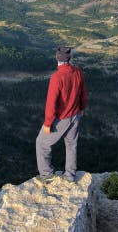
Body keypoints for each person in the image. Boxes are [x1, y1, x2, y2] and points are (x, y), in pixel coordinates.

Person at [36, 47, 87, 183]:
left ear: (56, 58)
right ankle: (70, 175)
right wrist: (82, 108)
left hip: (61, 118)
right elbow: (83, 92)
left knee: (41, 144)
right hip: (75, 115)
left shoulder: (57, 77)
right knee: (71, 145)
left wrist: (47, 124)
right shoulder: (78, 72)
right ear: (69, 58)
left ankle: (46, 175)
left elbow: (51, 103)